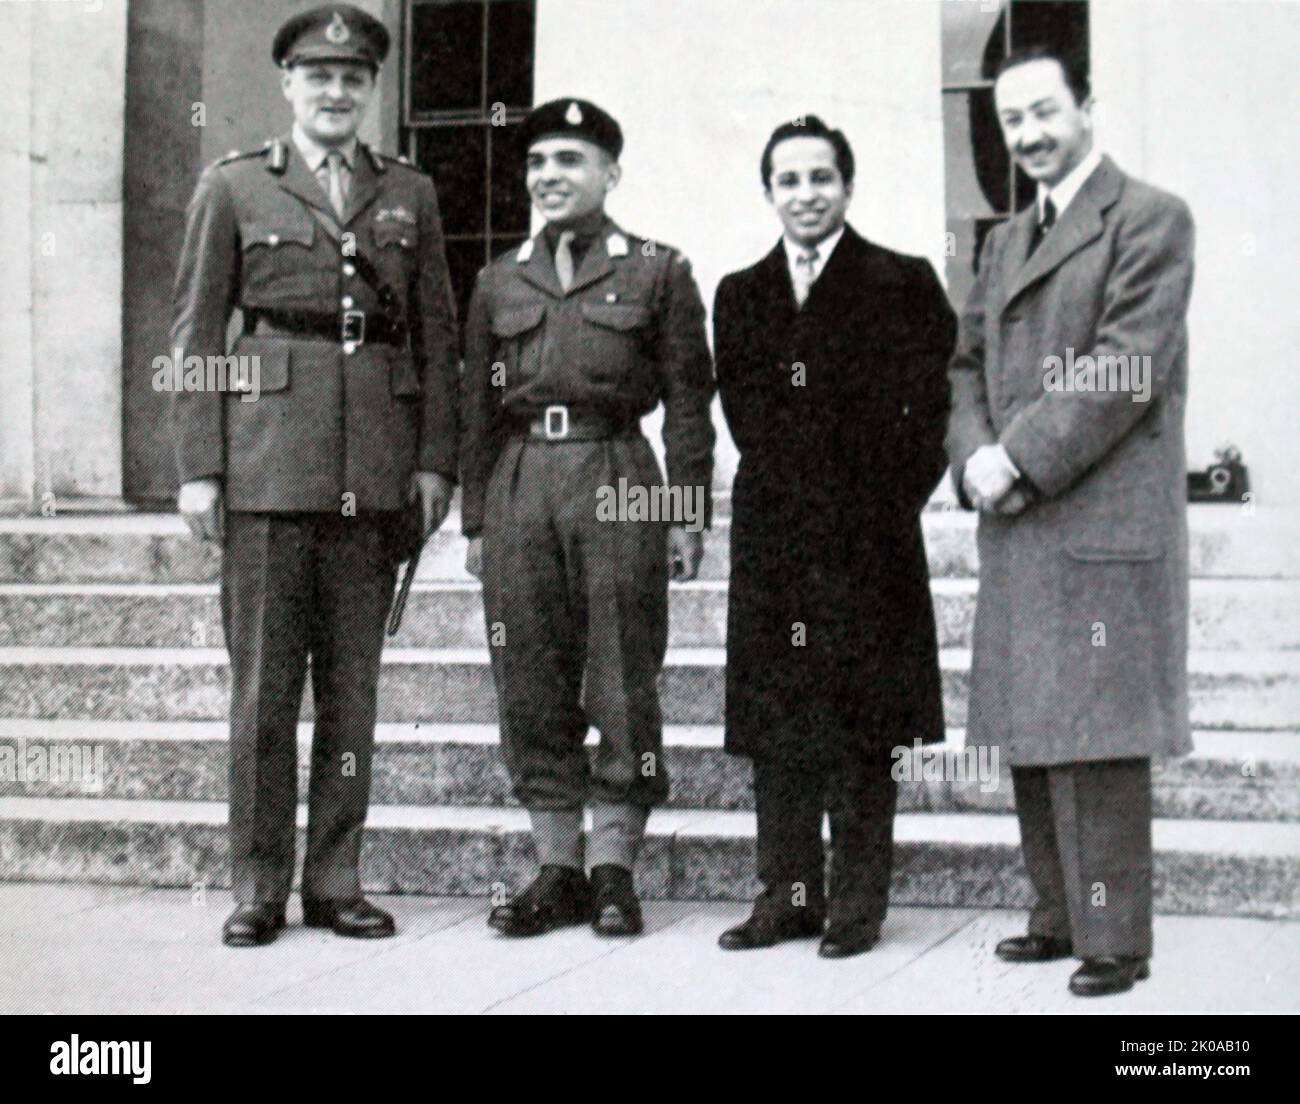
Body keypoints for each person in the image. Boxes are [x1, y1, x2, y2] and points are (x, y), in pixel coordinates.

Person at [170, 5, 459, 947]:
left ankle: (335, 878)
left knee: (352, 691)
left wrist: (431, 464)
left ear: (373, 91)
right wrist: (201, 469)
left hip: (371, 478)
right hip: (263, 473)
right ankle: (257, 882)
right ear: (289, 85)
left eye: (353, 78)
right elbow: (195, 336)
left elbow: (440, 339)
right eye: (317, 75)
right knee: (262, 694)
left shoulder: (409, 195)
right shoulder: (236, 187)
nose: (336, 92)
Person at [946, 46, 1195, 996]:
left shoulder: (1150, 218)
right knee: (1029, 723)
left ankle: (1115, 938)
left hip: (1099, 515)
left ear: (1087, 107)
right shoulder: (1004, 239)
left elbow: (1128, 364)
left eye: (1045, 112)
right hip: (1018, 515)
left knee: (1097, 731)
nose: (1030, 136)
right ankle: (1055, 916)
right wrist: (973, 454)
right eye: (1012, 122)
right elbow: (963, 363)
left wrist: (1019, 457)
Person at [460, 98, 715, 938]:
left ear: (611, 172)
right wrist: (475, 520)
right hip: (522, 477)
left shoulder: (658, 270)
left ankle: (614, 868)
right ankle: (556, 868)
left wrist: (685, 511)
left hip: (617, 473)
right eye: (538, 163)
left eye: (570, 160)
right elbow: (477, 408)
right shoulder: (499, 280)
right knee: (528, 676)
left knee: (621, 669)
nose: (550, 176)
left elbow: (687, 399)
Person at [713, 117, 956, 958]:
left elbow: (927, 420)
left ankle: (857, 903)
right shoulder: (741, 294)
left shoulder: (902, 281)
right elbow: (750, 421)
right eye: (789, 179)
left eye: (822, 178)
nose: (806, 194)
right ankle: (786, 896)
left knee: (862, 727)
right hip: (778, 544)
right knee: (780, 728)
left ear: (847, 187)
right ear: (769, 192)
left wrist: (877, 508)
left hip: (869, 544)